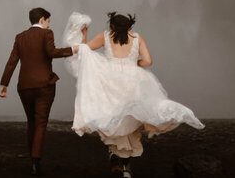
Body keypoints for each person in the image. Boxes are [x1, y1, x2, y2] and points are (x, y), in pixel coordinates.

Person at [63, 10, 204, 176]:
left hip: (111, 80)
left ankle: (115, 155)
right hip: (133, 79)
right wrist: (134, 63)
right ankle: (125, 166)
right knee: (131, 119)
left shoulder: (105, 36)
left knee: (112, 116)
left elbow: (84, 50)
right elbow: (148, 61)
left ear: (112, 25)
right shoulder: (137, 38)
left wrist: (80, 36)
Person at [0, 6, 75, 175]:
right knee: (40, 123)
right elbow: (52, 52)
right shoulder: (47, 33)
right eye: (48, 21)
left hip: (24, 87)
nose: (49, 25)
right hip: (44, 86)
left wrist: (4, 84)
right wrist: (73, 50)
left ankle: (32, 158)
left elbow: (12, 62)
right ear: (42, 19)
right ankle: (36, 161)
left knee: (31, 123)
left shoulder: (20, 37)